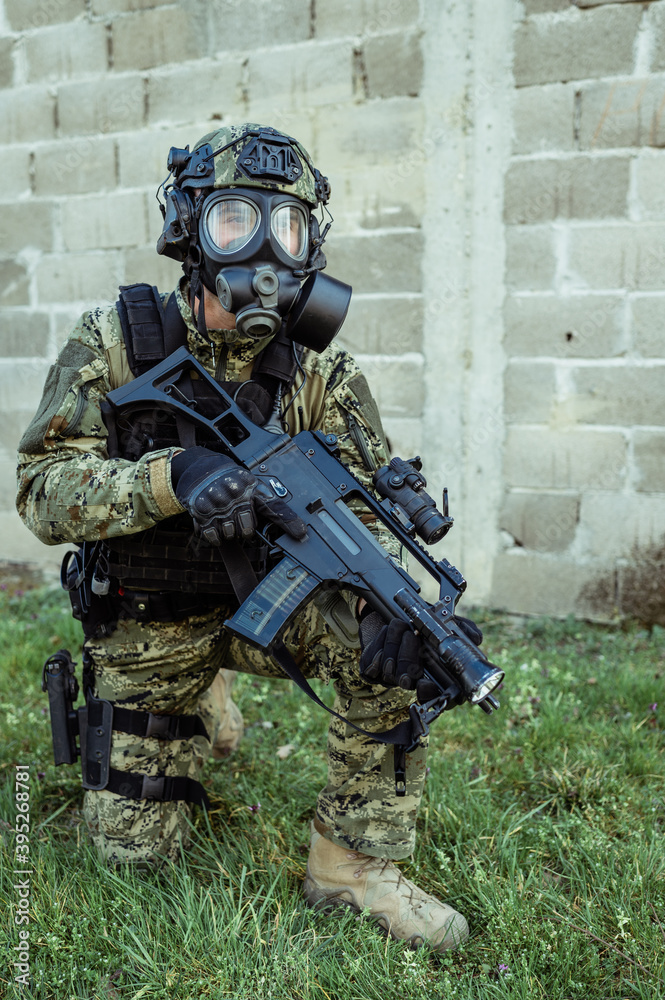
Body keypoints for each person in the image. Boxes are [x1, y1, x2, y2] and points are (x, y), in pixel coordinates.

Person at [16, 123, 469, 952]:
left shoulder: (323, 371)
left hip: (274, 602)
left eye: (287, 225)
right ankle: (196, 694)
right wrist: (170, 479)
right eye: (235, 220)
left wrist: (393, 620)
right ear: (189, 225)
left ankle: (350, 868)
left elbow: (366, 515)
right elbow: (42, 493)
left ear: (311, 245)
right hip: (152, 613)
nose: (262, 245)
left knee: (389, 645)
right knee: (131, 856)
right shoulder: (114, 342)